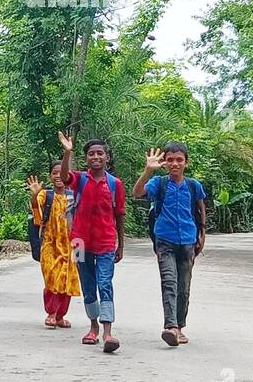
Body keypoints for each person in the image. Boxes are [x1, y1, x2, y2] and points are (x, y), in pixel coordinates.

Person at [57, 131, 125, 353]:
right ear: (86, 159)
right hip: (79, 242)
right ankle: (93, 327)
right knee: (87, 285)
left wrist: (120, 244)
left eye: (100, 153)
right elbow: (65, 177)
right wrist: (67, 152)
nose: (96, 157)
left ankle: (107, 332)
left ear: (107, 157)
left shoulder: (115, 184)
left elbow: (119, 215)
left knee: (105, 284)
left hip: (106, 242)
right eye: (91, 154)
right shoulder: (80, 179)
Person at [133, 143, 206, 347]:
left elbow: (200, 210)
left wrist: (202, 235)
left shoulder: (194, 185)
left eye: (179, 160)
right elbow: (136, 193)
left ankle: (180, 327)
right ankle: (171, 327)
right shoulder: (159, 183)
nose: (175, 163)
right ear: (164, 162)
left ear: (186, 162)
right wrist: (147, 171)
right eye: (171, 159)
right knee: (169, 283)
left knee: (184, 287)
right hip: (165, 240)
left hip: (188, 241)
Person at [27, 163, 80, 328]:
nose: (58, 176)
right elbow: (36, 211)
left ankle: (60, 316)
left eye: (61, 173)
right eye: (54, 173)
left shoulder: (74, 196)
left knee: (67, 280)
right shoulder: (45, 195)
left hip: (71, 245)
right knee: (51, 277)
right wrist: (34, 196)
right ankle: (51, 312)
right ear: (50, 176)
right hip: (49, 244)